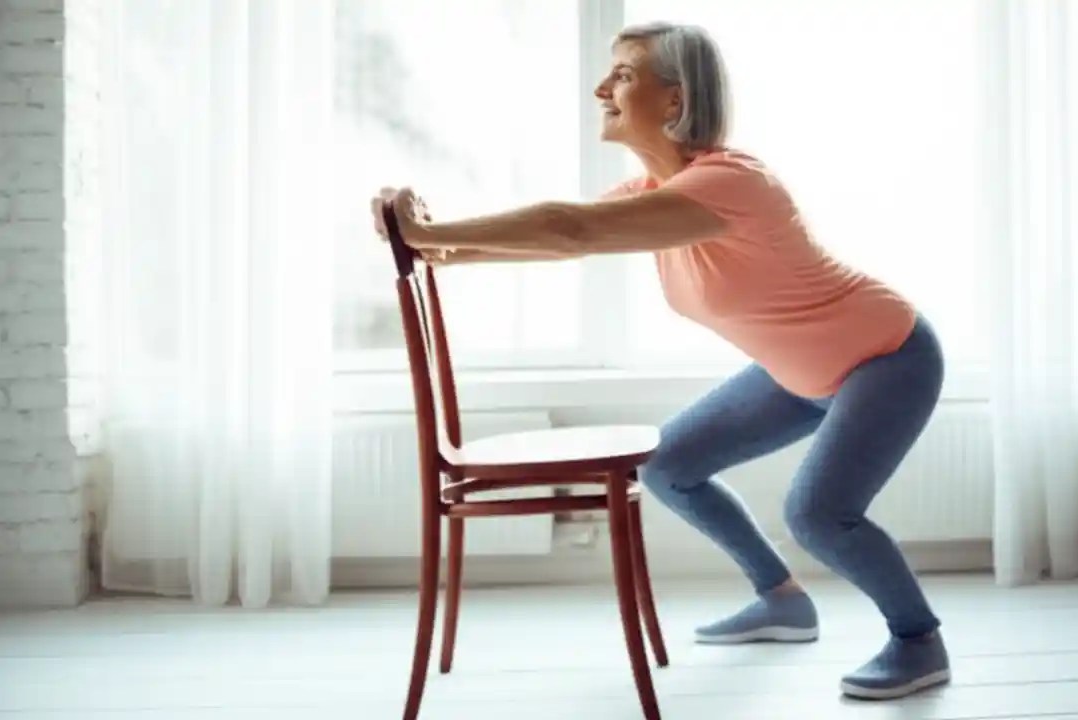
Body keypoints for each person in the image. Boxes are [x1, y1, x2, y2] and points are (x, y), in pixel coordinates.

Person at [371, 21, 950, 700]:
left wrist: (434, 235)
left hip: (885, 358)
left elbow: (572, 228)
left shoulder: (730, 184)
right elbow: (566, 239)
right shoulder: (657, 194)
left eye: (622, 73)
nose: (601, 88)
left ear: (674, 100)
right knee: (671, 466)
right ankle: (783, 600)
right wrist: (436, 246)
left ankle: (918, 641)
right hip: (798, 374)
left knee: (820, 515)